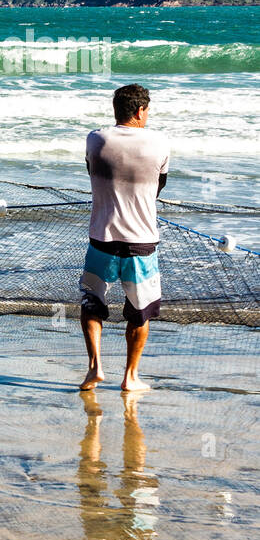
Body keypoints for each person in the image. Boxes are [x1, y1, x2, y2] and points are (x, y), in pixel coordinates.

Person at [79, 83, 170, 393]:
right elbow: (159, 186)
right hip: (141, 241)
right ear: (140, 111)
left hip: (101, 238)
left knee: (92, 303)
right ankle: (130, 377)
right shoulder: (159, 143)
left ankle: (95, 369)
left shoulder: (96, 139)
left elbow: (91, 171)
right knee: (140, 310)